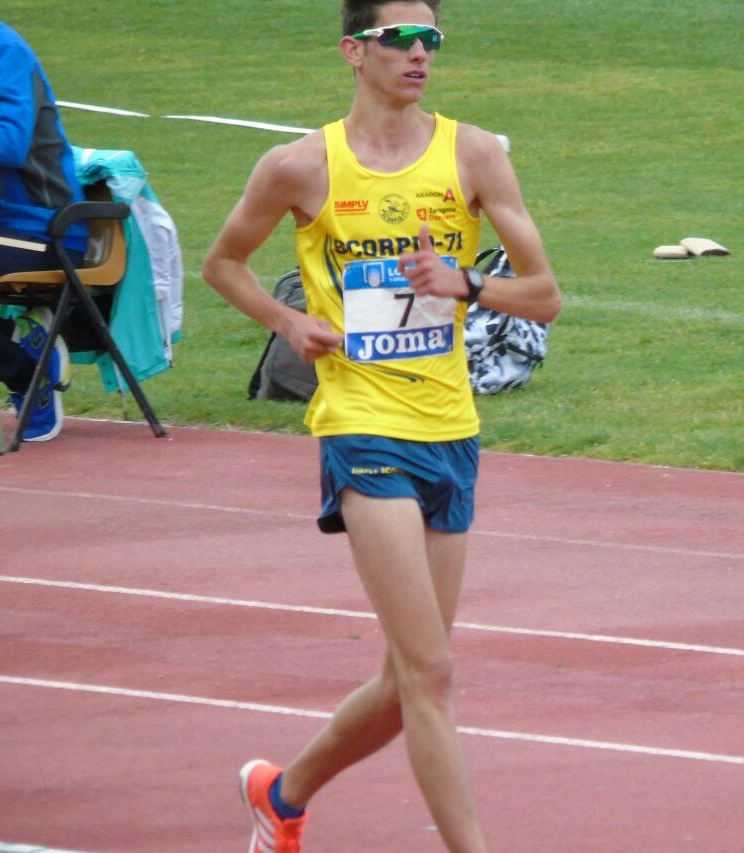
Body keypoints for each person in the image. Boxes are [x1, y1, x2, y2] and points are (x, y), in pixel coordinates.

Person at [201, 1, 561, 850]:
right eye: (401, 39)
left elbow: (544, 296)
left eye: (431, 40)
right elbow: (224, 262)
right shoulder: (299, 166)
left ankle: (281, 796)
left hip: (450, 427)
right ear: (353, 51)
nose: (419, 54)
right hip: (361, 424)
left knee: (408, 684)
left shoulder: (472, 154)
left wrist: (465, 282)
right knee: (431, 672)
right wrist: (289, 326)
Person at [0, 11, 87, 442]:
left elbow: (9, 144)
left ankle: (25, 365)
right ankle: (21, 344)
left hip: (44, 230)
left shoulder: (4, 51)